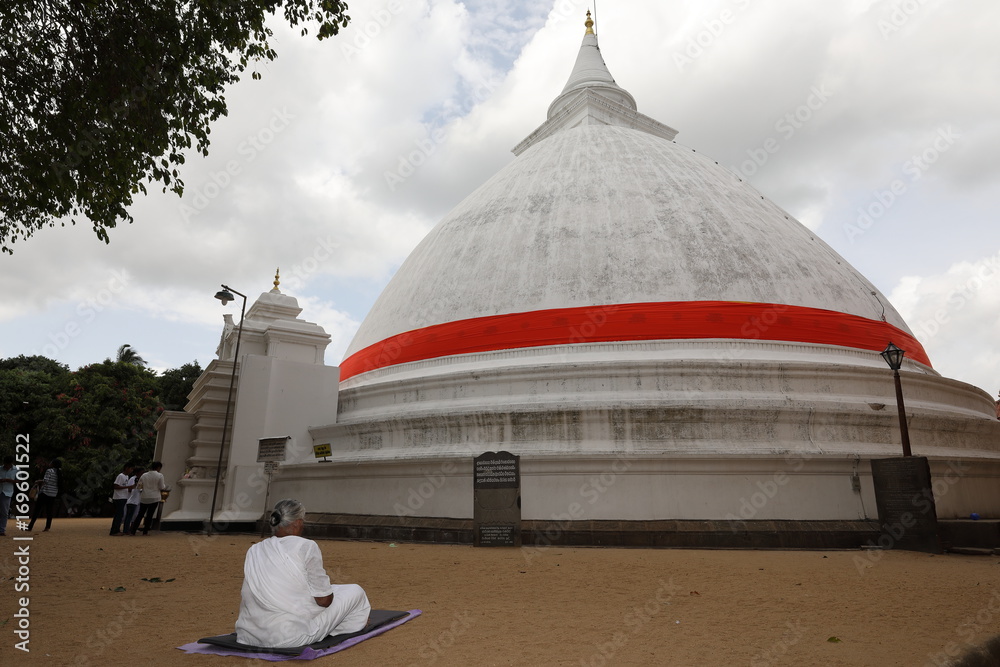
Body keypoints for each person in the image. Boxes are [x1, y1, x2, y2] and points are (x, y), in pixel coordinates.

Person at [235, 499, 371, 648]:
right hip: (288, 637)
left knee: (334, 589)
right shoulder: (306, 546)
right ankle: (350, 623)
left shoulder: (254, 550)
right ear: (297, 522)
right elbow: (324, 601)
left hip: (248, 635)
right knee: (355, 591)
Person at [130, 461, 167, 535]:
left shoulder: (144, 475)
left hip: (144, 497)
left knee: (140, 514)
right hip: (154, 497)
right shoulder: (160, 475)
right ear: (159, 468)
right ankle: (145, 531)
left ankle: (133, 530)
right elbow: (161, 487)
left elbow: (139, 486)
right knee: (150, 515)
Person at [28, 458, 61, 531]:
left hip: (45, 492)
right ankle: (47, 527)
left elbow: (45, 481)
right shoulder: (59, 472)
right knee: (49, 511)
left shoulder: (49, 470)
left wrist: (38, 481)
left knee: (37, 510)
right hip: (53, 493)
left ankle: (30, 526)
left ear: (53, 464)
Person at [110, 462, 135, 535]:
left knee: (120, 514)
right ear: (127, 468)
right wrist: (127, 487)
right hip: (119, 497)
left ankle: (116, 529)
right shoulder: (121, 476)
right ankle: (114, 531)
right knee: (119, 514)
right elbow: (116, 486)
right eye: (131, 469)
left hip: (123, 497)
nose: (131, 471)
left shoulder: (127, 477)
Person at [123, 466, 144, 536]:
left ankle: (130, 528)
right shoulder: (134, 479)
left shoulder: (139, 480)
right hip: (133, 500)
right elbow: (131, 489)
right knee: (130, 516)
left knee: (133, 515)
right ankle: (127, 529)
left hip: (135, 501)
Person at [0, 456, 17, 536]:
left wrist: (11, 481)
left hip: (7, 492)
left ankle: (2, 529)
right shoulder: (0, 469)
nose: (6, 466)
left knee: (4, 512)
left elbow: (19, 481)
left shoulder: (16, 470)